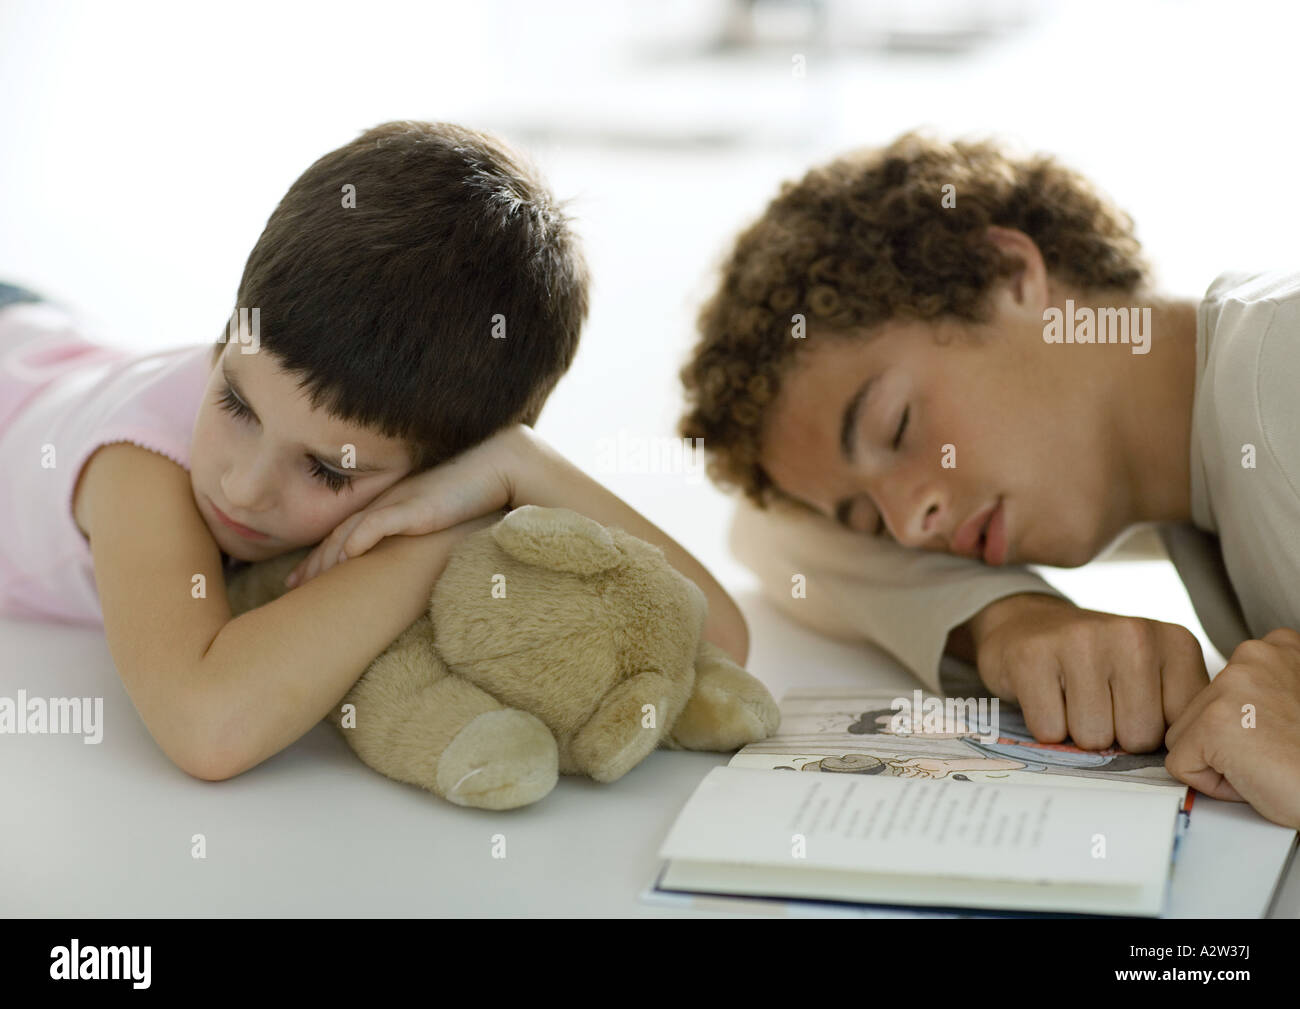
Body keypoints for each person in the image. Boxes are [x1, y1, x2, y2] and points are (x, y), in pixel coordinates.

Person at [0, 121, 749, 783]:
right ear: (226, 334)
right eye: (235, 401)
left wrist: (525, 467)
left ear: (449, 463)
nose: (244, 486)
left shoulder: (443, 451)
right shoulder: (138, 462)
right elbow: (207, 725)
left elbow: (710, 630)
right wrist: (439, 539)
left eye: (329, 468)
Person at [678, 131, 1300, 828]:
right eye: (865, 516)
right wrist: (1006, 620)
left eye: (897, 428)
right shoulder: (1183, 466)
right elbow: (770, 531)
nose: (911, 526)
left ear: (1008, 273)